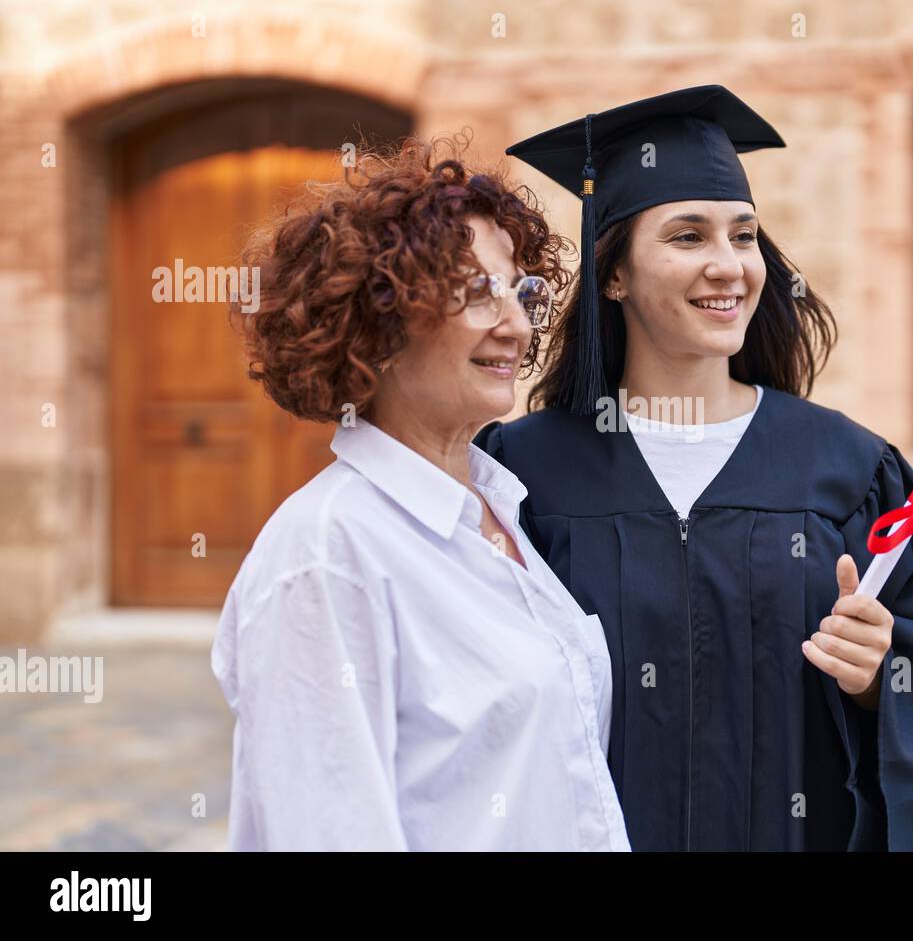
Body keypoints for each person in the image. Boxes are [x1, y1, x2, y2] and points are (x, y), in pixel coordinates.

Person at [476, 86, 913, 851]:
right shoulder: (521, 474)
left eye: (744, 236)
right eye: (688, 237)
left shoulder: (850, 471)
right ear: (615, 273)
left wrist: (883, 674)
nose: (729, 267)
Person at [211, 137, 629, 851]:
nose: (518, 326)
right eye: (476, 294)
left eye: (521, 292)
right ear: (378, 321)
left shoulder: (497, 508)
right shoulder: (328, 554)